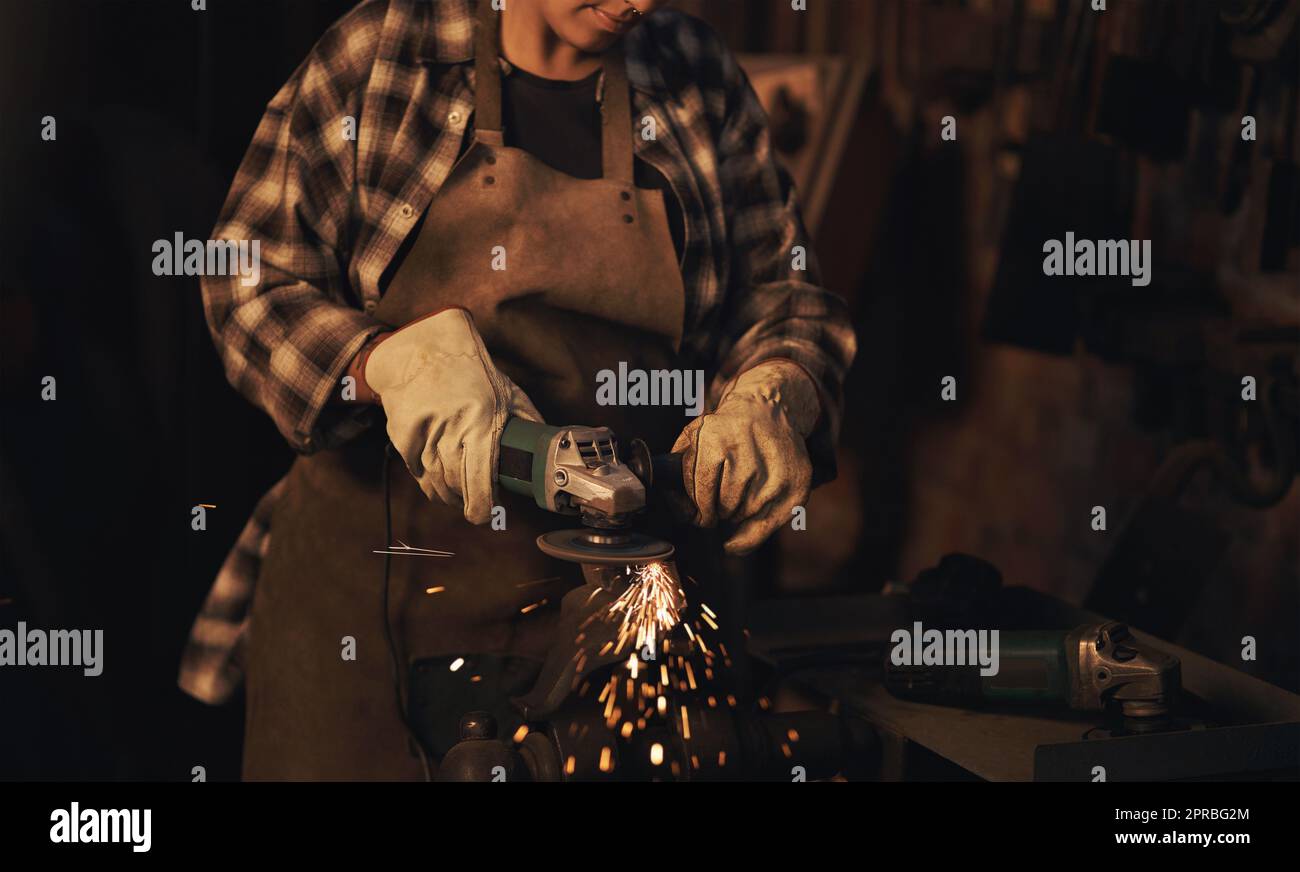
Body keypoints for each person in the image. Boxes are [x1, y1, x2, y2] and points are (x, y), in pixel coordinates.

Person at [179, 0, 856, 780]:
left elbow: (788, 297)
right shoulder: (384, 52)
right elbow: (246, 279)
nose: (636, 4)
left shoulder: (697, 77)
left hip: (617, 615)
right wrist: (382, 366)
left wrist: (776, 391)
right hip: (371, 604)